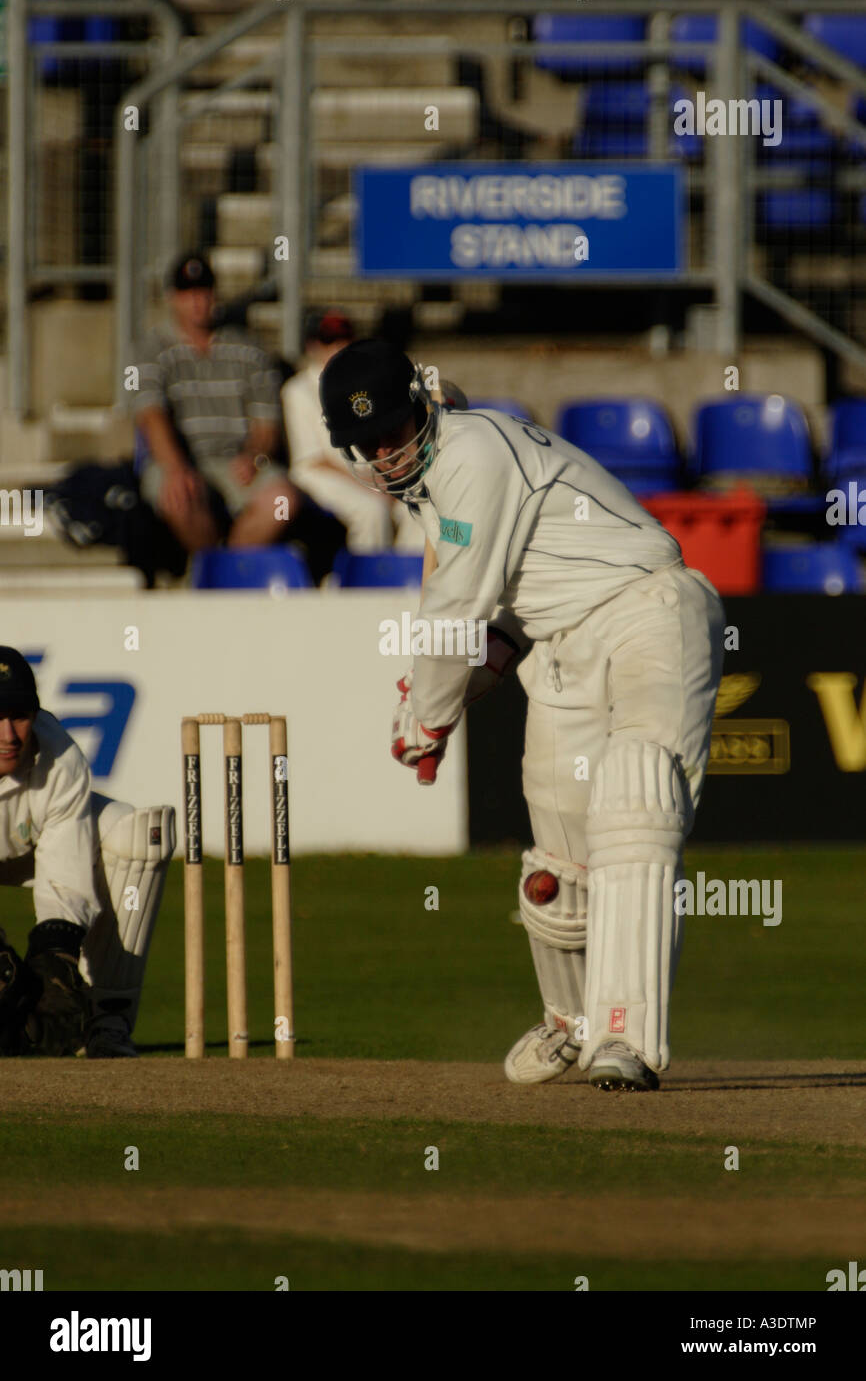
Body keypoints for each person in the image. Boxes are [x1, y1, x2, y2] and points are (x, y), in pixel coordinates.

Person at [320, 340, 724, 1092]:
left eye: (397, 430)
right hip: (561, 645)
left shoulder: (471, 452)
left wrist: (426, 718)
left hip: (648, 613)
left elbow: (453, 613)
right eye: (369, 443)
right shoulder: (425, 485)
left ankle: (624, 1037)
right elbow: (504, 610)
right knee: (559, 862)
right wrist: (464, 682)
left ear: (423, 406)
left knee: (635, 795)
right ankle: (570, 1020)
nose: (387, 452)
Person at [0, 648, 175, 1058]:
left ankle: (107, 1020)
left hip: (30, 843)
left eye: (19, 717)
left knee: (136, 834)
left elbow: (64, 874)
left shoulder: (61, 758)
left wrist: (53, 962)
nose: (8, 735)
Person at [133, 253, 302, 552]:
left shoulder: (250, 350)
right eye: (188, 294)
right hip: (181, 460)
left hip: (237, 463)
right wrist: (175, 468)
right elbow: (150, 415)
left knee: (282, 503)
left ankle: (228, 571)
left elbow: (266, 424)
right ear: (173, 298)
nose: (197, 302)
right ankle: (207, 570)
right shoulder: (151, 350)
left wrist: (254, 456)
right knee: (177, 497)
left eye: (204, 292)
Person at [281, 310, 395, 552]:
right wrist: (369, 485)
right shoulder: (298, 390)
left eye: (344, 339)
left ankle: (408, 581)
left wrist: (386, 480)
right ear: (313, 346)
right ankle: (366, 584)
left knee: (415, 508)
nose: (338, 347)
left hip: (363, 473)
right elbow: (315, 459)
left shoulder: (362, 385)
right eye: (329, 340)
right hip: (315, 474)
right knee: (372, 511)